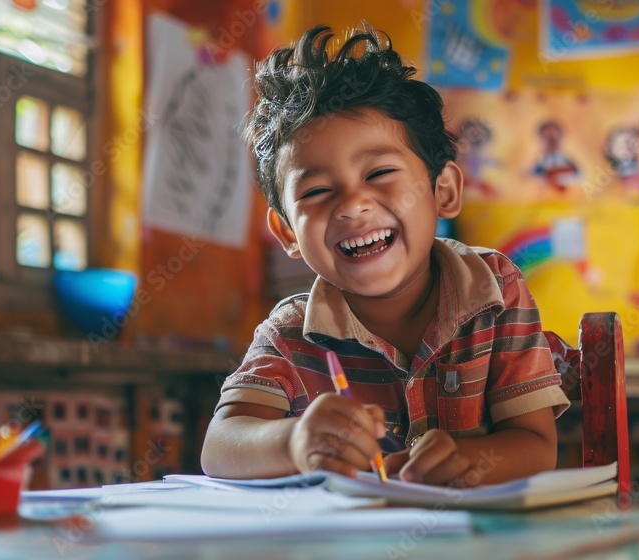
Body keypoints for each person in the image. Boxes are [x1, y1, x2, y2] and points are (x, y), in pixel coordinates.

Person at [200, 24, 569, 488]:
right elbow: (220, 446)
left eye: (379, 172)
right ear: (287, 231)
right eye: (316, 190)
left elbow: (537, 445)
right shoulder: (290, 334)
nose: (352, 204)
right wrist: (293, 442)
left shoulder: (494, 288)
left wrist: (471, 459)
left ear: (444, 191)